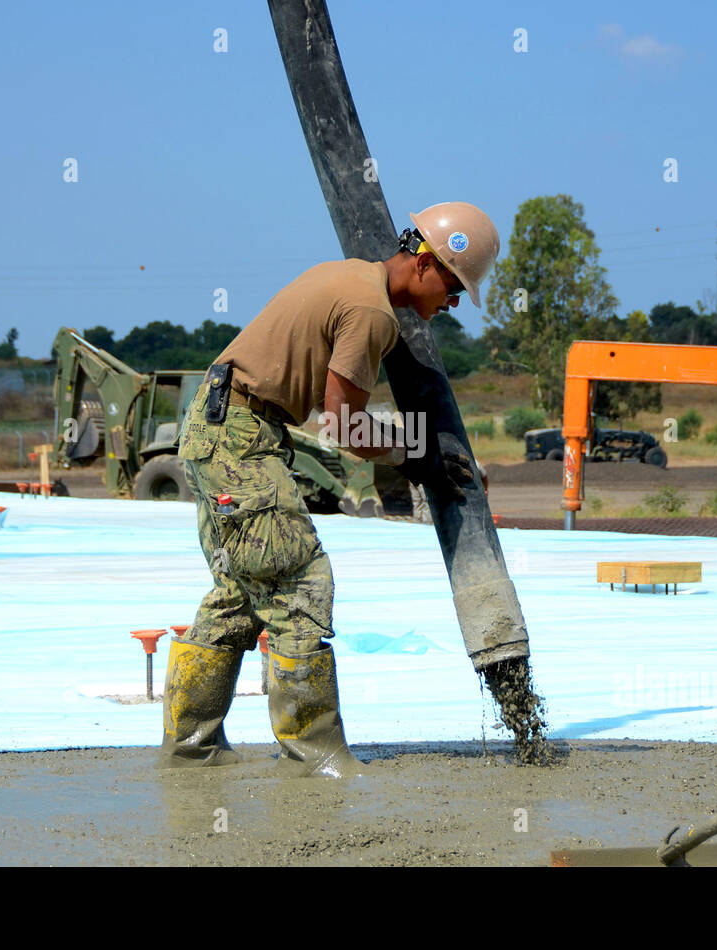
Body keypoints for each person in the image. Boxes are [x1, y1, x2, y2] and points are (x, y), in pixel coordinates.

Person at [160, 202, 499, 777]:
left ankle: (190, 750)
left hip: (219, 428)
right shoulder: (372, 311)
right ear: (423, 263)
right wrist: (413, 454)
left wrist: (409, 449)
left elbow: (329, 408)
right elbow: (342, 426)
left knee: (240, 594)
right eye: (454, 285)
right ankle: (313, 758)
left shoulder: (350, 277)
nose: (454, 302)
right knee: (299, 580)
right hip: (240, 437)